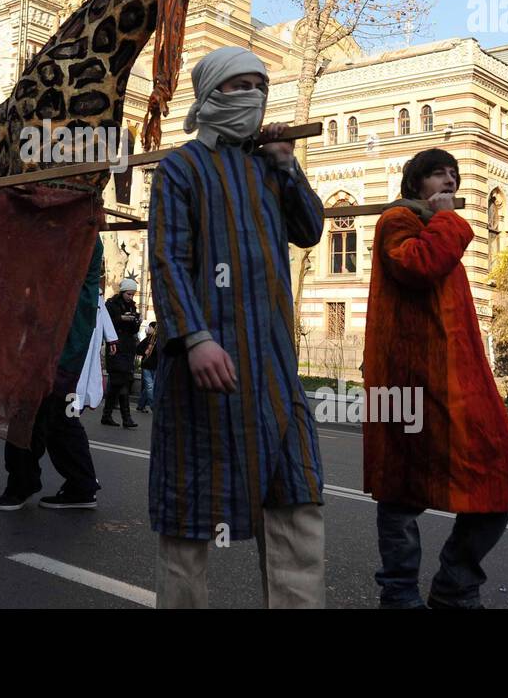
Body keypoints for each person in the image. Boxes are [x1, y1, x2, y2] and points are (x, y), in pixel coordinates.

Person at [148, 47, 325, 609]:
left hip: (274, 371)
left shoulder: (269, 169)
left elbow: (312, 229)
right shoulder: (180, 168)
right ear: (209, 95)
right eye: (239, 85)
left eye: (261, 86)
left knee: (298, 507)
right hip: (206, 372)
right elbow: (168, 259)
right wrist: (195, 338)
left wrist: (287, 164)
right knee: (188, 517)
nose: (253, 96)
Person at [363, 148, 508, 609]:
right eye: (437, 175)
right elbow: (418, 265)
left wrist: (445, 223)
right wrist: (448, 222)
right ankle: (399, 592)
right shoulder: (397, 220)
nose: (449, 182)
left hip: (454, 380)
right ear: (416, 184)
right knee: (399, 491)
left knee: (495, 478)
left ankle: (455, 584)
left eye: (453, 175)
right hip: (402, 380)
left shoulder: (438, 226)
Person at [0, 239, 105, 512]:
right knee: (39, 411)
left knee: (51, 412)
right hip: (42, 337)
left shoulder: (84, 232)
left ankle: (56, 483)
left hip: (66, 340)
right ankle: (42, 481)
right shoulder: (57, 226)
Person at [102, 278, 141, 428]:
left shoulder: (132, 306)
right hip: (116, 347)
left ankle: (109, 415)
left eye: (133, 295)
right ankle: (124, 417)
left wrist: (136, 321)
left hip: (128, 348)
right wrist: (121, 318)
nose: (131, 297)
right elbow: (106, 323)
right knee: (120, 380)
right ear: (122, 292)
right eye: (129, 294)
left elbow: (133, 330)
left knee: (121, 381)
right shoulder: (111, 304)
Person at [73, 295, 117, 414]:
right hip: (73, 344)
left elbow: (104, 316)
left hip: (90, 347)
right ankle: (70, 415)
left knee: (84, 381)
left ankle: (73, 414)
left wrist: (111, 339)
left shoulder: (97, 296)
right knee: (73, 381)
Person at [136, 320, 158, 412]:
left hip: (156, 365)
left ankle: (141, 405)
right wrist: (144, 352)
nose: (149, 329)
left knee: (149, 387)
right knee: (150, 386)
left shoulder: (160, 339)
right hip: (147, 365)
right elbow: (138, 349)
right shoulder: (148, 339)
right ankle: (154, 407)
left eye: (150, 327)